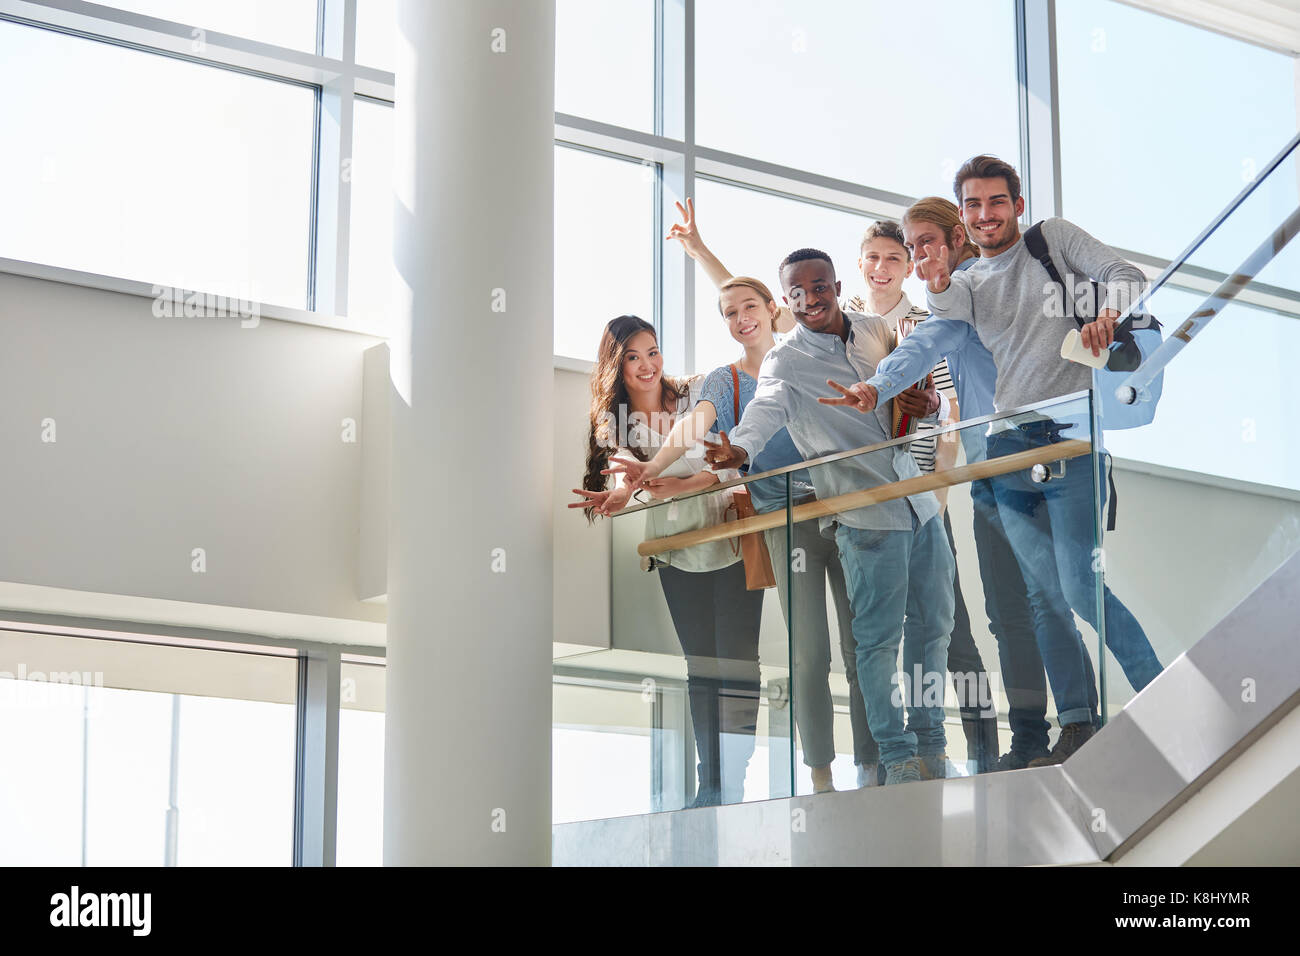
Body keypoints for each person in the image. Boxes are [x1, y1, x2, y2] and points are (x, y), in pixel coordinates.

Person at [835, 156, 1163, 766]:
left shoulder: (1051, 240)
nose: (986, 215)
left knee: (1077, 585)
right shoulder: (965, 289)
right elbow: (928, 340)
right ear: (963, 217)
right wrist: (876, 387)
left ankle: (1162, 696)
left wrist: (1107, 313)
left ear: (1015, 202)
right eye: (974, 206)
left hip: (1069, 437)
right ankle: (1074, 726)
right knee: (1040, 594)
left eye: (996, 202)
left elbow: (1123, 272)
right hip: (1008, 447)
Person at [607, 200, 878, 792]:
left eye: (750, 309)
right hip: (782, 515)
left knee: (863, 644)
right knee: (803, 652)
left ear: (774, 310)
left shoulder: (799, 352)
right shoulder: (724, 383)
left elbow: (751, 296)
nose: (740, 319)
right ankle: (807, 776)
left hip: (846, 500)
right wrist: (655, 471)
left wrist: (702, 251)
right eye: (728, 315)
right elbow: (695, 433)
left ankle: (874, 763)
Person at [706, 248, 955, 786]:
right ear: (785, 302)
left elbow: (920, 392)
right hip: (863, 513)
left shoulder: (875, 332)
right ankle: (897, 756)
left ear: (837, 285)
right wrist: (741, 451)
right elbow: (764, 410)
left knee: (936, 625)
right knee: (876, 641)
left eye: (818, 287)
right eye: (796, 292)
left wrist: (927, 405)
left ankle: (933, 743)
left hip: (918, 501)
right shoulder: (785, 361)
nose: (808, 300)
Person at [570, 315, 763, 807]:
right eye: (633, 356)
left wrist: (680, 484)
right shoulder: (613, 420)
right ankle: (711, 785)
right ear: (616, 365)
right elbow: (622, 478)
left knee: (738, 665)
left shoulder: (697, 393)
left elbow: (734, 462)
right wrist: (618, 496)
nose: (647, 365)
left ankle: (734, 779)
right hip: (675, 552)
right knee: (702, 669)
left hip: (731, 537)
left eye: (652, 352)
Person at [846, 219, 1003, 774]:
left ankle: (983, 751)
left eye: (894, 257)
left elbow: (950, 409)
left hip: (921, 498)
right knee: (871, 634)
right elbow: (768, 318)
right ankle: (882, 758)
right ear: (860, 262)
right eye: (873, 257)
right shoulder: (846, 327)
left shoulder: (922, 321)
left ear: (909, 266)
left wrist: (935, 487)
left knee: (947, 627)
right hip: (865, 501)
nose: (882, 267)